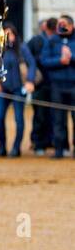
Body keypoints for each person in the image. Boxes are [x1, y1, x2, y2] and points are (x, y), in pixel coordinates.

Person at [0, 24, 35, 157]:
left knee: (19, 119)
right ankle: (2, 146)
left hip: (18, 90)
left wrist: (30, 81)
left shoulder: (22, 48)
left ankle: (16, 147)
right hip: (2, 90)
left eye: (10, 34)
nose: (8, 37)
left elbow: (31, 64)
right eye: (5, 34)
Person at [40, 14, 75, 158]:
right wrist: (60, 61)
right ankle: (59, 149)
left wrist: (71, 58)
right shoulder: (51, 41)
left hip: (74, 86)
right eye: (59, 24)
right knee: (58, 119)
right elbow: (45, 61)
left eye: (64, 24)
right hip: (57, 86)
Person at [28, 17, 57, 153]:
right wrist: (31, 76)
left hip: (54, 84)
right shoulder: (35, 41)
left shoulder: (57, 40)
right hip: (40, 85)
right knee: (39, 115)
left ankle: (51, 141)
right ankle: (38, 142)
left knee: (54, 115)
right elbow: (25, 56)